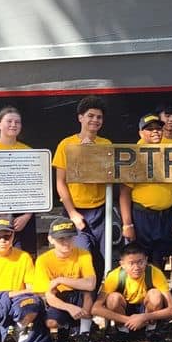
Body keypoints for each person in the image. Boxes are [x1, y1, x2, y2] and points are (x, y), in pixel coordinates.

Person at [52, 95, 112, 277]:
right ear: (80, 118)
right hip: (76, 210)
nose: (95, 120)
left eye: (99, 117)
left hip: (100, 211)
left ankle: (95, 302)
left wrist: (91, 153)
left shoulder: (106, 144)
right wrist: (72, 213)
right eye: (90, 116)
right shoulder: (66, 144)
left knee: (100, 259)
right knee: (80, 257)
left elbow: (109, 177)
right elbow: (60, 182)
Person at [119, 113, 172, 264]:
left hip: (166, 216)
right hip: (142, 216)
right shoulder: (134, 154)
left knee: (159, 260)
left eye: (158, 128)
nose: (155, 131)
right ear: (141, 133)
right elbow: (124, 192)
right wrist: (127, 224)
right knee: (139, 259)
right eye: (149, 129)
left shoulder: (170, 153)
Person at [0, 105, 37, 254]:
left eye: (17, 122)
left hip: (23, 216)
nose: (13, 125)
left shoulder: (30, 152)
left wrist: (27, 215)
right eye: (9, 121)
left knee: (24, 258)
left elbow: (36, 187)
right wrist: (0, 212)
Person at [33, 218, 98, 342]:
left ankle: (84, 333)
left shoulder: (83, 254)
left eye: (69, 237)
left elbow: (91, 284)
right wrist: (69, 308)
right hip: (59, 298)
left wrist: (60, 280)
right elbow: (47, 293)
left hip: (79, 295)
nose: (66, 242)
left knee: (88, 292)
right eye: (60, 239)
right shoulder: (43, 260)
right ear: (51, 239)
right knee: (51, 322)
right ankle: (65, 329)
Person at [92, 242, 172, 342]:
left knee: (155, 294)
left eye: (140, 262)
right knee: (113, 298)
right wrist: (128, 320)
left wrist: (143, 317)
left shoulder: (155, 273)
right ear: (122, 264)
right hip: (125, 313)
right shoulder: (114, 276)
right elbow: (96, 309)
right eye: (131, 263)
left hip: (147, 312)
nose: (136, 267)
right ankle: (122, 331)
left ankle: (151, 330)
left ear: (146, 260)